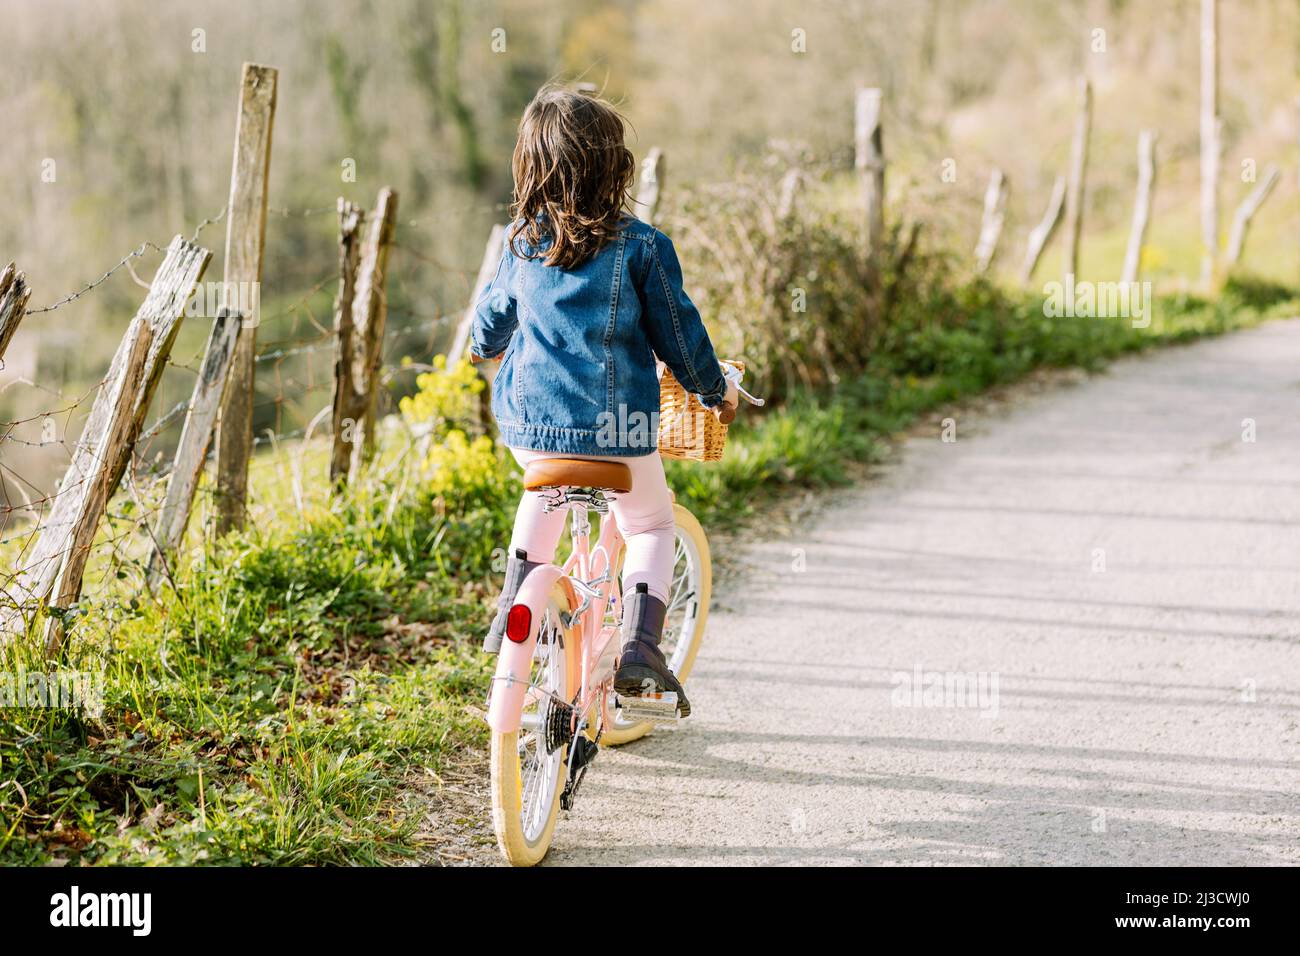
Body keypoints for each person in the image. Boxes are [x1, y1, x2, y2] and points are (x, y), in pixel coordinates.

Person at [469, 84, 737, 715]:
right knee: (649, 523)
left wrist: (493, 341)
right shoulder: (643, 247)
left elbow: (486, 331)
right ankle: (642, 652)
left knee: (542, 492)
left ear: (531, 167)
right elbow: (681, 338)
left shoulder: (522, 243)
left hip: (530, 430)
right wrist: (712, 389)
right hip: (619, 432)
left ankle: (514, 604)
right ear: (615, 167)